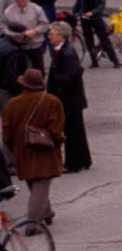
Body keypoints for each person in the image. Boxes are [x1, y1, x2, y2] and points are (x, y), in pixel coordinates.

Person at [2, 68, 64, 226]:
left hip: (23, 152)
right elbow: (56, 130)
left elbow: (7, 134)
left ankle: (46, 212)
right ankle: (33, 223)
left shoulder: (11, 104)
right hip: (45, 151)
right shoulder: (51, 101)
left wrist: (14, 148)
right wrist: (58, 143)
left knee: (34, 183)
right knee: (41, 184)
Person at [45, 22, 90, 173]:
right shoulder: (61, 50)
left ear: (61, 36)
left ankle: (73, 163)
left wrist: (57, 87)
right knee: (76, 130)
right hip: (71, 98)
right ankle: (83, 159)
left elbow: (72, 75)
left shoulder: (67, 53)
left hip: (69, 99)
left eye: (52, 34)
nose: (49, 36)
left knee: (71, 131)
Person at [71, 0, 119, 67]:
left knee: (104, 39)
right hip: (85, 18)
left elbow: (101, 5)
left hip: (96, 18)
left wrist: (92, 12)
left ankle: (114, 60)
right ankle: (94, 61)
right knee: (89, 41)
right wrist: (74, 14)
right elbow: (78, 3)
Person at [3, 0, 49, 74]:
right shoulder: (8, 11)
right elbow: (4, 27)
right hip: (17, 46)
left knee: (38, 69)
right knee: (20, 70)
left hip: (34, 45)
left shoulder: (36, 9)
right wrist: (15, 35)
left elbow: (45, 25)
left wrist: (35, 31)